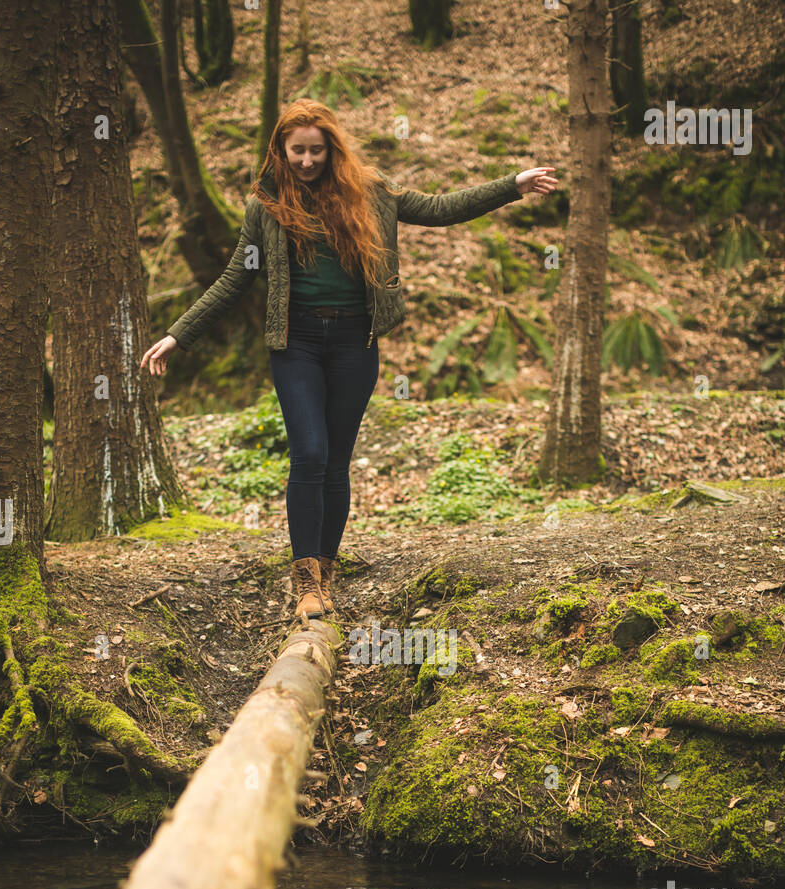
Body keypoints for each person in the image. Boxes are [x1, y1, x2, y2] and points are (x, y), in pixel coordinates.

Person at [141, 99, 558, 618]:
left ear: (332, 148)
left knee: (336, 463)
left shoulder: (371, 192)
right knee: (309, 454)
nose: (308, 161)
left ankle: (326, 575)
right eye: (298, 151)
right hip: (297, 343)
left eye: (317, 150)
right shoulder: (266, 205)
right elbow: (234, 278)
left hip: (354, 342)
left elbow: (439, 209)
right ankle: (304, 583)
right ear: (281, 150)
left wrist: (510, 186)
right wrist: (179, 335)